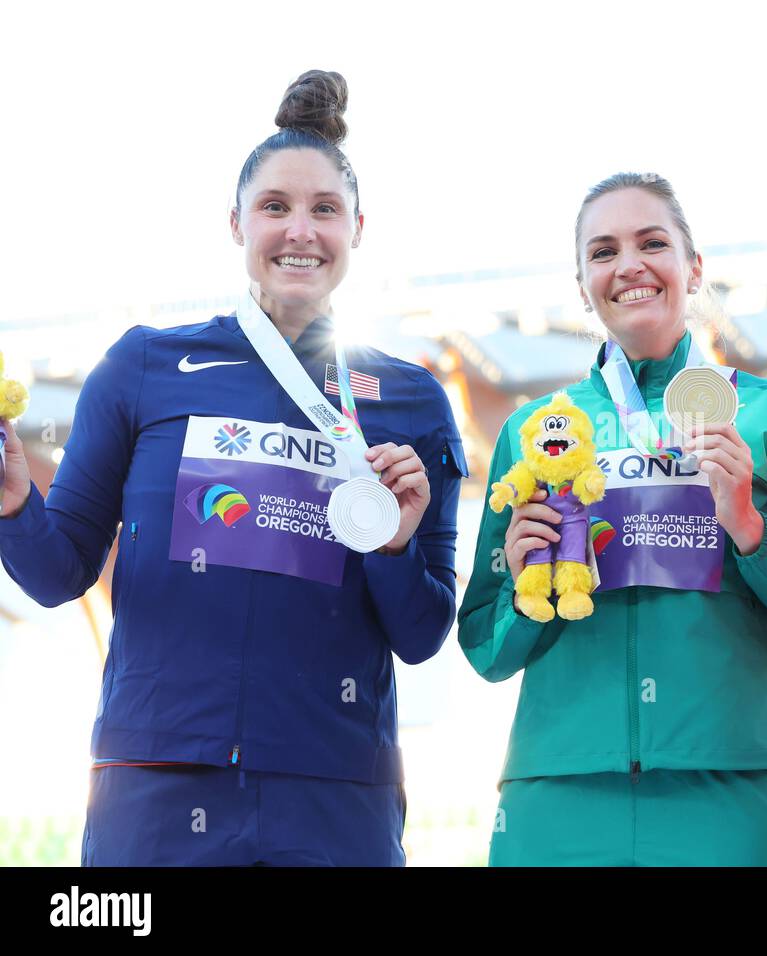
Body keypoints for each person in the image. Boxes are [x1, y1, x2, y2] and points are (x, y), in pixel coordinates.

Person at [0, 70, 467, 866]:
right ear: (236, 222)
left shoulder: (410, 397)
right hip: (156, 785)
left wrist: (393, 546)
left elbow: (422, 634)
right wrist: (14, 507)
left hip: (335, 796)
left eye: (325, 209)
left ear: (358, 228)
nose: (300, 231)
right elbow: (56, 574)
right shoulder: (145, 364)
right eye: (275, 207)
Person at [457, 172, 767, 866]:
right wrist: (530, 590)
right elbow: (486, 650)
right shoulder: (535, 431)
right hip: (562, 782)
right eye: (603, 251)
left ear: (693, 268)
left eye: (652, 243)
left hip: (729, 777)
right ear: (582, 284)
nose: (629, 265)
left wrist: (753, 532)